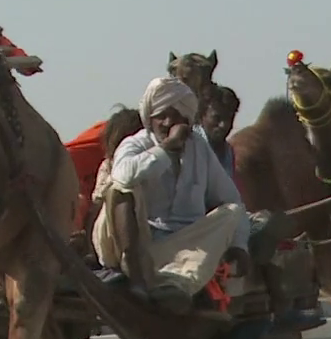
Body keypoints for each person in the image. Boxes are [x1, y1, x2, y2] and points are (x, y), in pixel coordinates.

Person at [94, 76, 256, 309]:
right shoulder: (135, 144)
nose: (169, 122)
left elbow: (231, 199)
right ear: (150, 119)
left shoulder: (200, 149)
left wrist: (240, 245)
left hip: (184, 250)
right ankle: (136, 277)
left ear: (188, 120)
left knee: (231, 213)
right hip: (135, 244)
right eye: (162, 116)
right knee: (120, 189)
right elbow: (123, 176)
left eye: (177, 116)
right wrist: (166, 149)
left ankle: (176, 286)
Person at [201, 85, 240, 178]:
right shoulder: (189, 146)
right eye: (217, 118)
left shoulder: (228, 152)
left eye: (229, 119)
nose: (223, 125)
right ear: (202, 115)